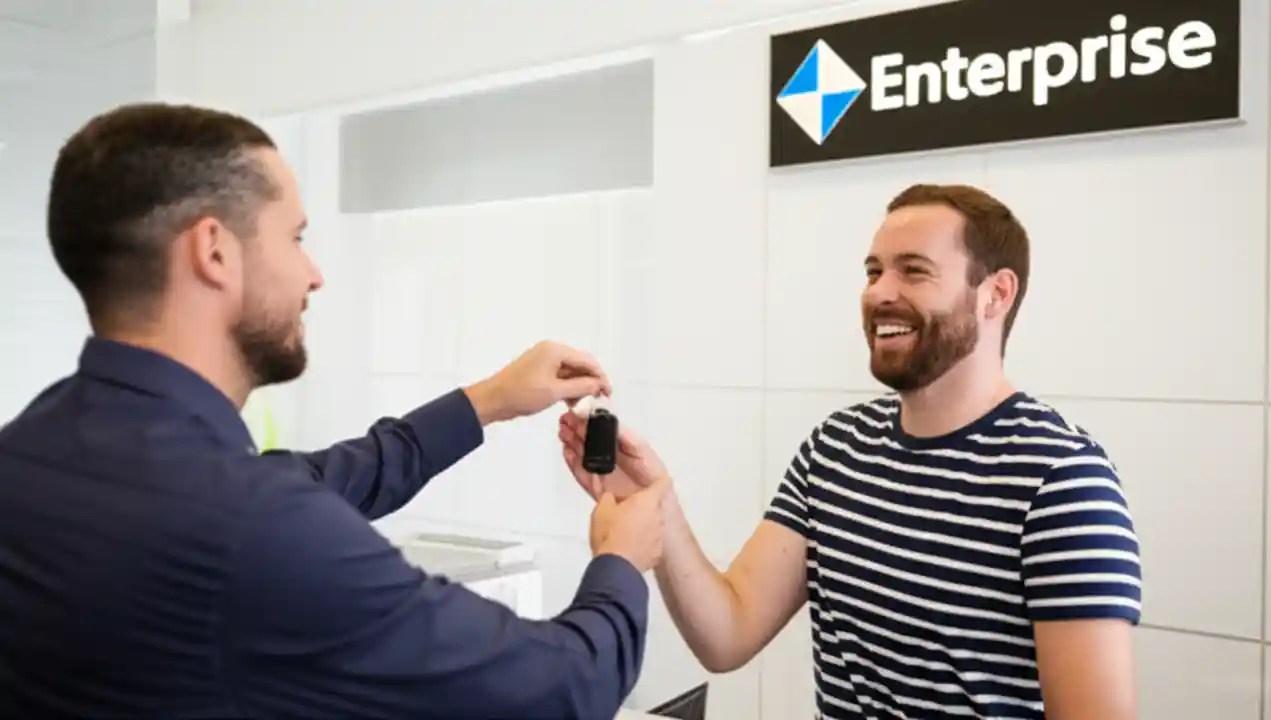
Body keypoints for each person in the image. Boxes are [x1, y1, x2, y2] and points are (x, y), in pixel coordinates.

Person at [0, 102, 669, 720]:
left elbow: (319, 478)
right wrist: (620, 561)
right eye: (294, 238)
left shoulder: (29, 456)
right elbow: (563, 688)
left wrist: (487, 401)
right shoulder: (252, 529)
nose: (313, 273)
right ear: (214, 251)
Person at [559, 184, 1142, 719]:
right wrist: (656, 505)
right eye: (873, 271)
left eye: (914, 271)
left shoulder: (1062, 482)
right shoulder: (835, 448)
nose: (880, 293)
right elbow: (728, 633)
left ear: (995, 295)